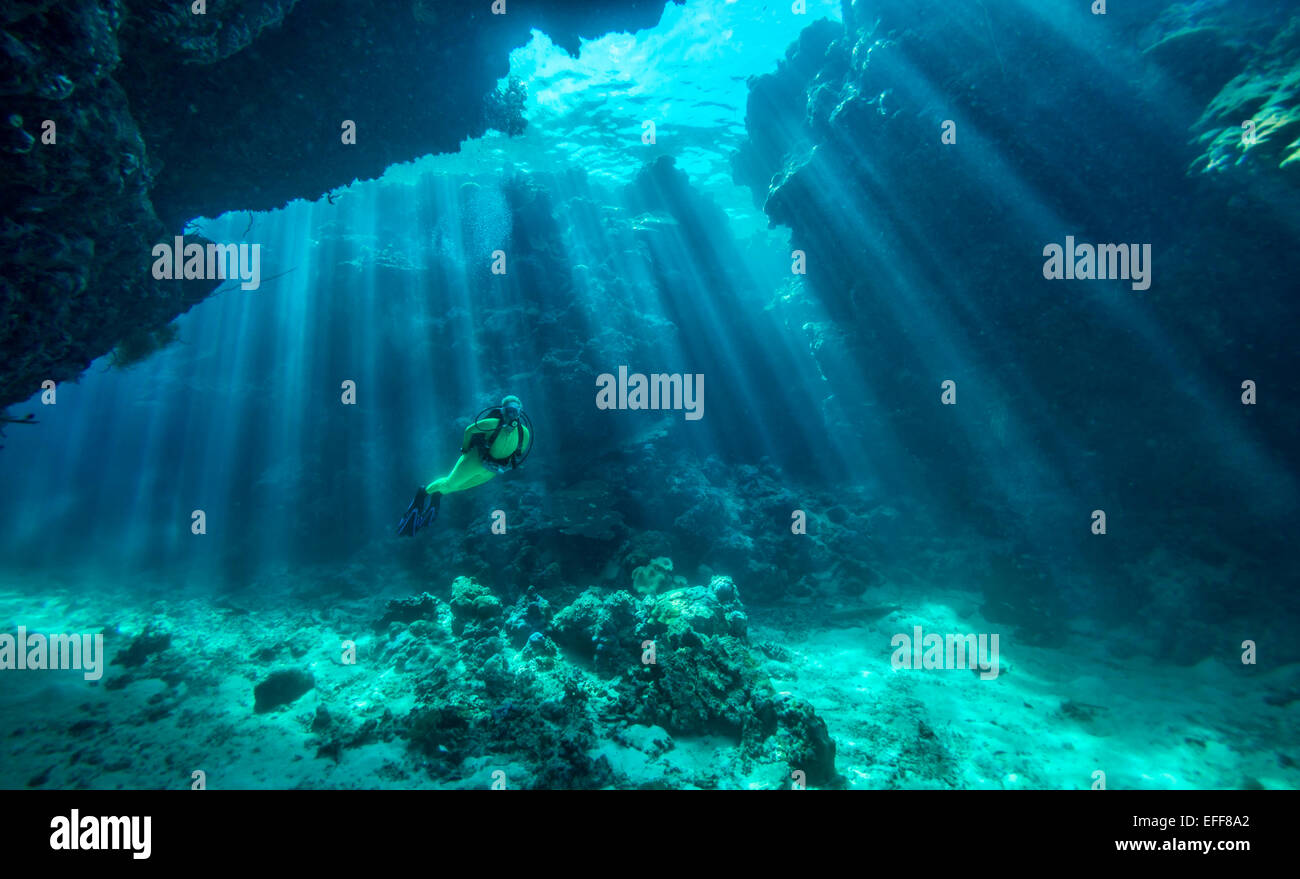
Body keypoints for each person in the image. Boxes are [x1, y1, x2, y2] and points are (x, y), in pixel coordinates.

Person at [396, 395, 532, 536]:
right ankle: (422, 495)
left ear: (520, 412)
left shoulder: (524, 433)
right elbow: (469, 430)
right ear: (502, 411)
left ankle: (436, 496)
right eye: (508, 410)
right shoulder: (493, 424)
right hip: (474, 461)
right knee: (450, 484)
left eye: (515, 411)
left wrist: (505, 466)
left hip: (492, 470)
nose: (511, 414)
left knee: (460, 487)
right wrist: (465, 449)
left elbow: (518, 452)